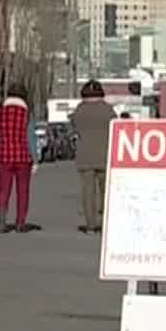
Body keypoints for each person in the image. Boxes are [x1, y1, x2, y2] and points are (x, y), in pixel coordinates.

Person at [0, 86, 40, 233]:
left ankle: (1, 220)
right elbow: (30, 138)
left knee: (3, 190)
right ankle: (20, 222)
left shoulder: (0, 114)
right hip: (23, 158)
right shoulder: (26, 115)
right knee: (23, 190)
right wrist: (35, 159)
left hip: (4, 157)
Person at [69, 80, 117, 234]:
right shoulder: (108, 110)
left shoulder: (79, 110)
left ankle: (90, 225)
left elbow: (73, 128)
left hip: (85, 156)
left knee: (88, 192)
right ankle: (106, 222)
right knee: (105, 191)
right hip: (106, 155)